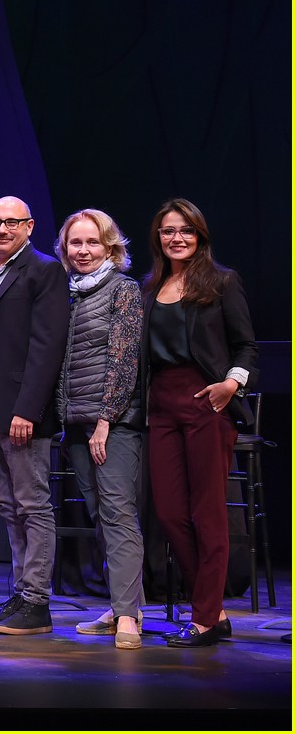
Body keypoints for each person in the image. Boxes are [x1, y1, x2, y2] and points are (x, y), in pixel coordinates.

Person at [141, 198, 256, 648]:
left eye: (186, 230)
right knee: (169, 514)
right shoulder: (150, 289)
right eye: (169, 231)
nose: (177, 238)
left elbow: (246, 346)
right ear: (159, 238)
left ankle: (205, 616)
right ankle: (214, 609)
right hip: (162, 407)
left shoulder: (222, 283)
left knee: (207, 514)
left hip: (207, 403)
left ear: (200, 235)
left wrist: (232, 383)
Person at [0, 196, 69, 636]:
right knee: (9, 508)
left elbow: (47, 347)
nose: (3, 229)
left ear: (29, 226)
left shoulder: (44, 270)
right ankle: (20, 592)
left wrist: (28, 408)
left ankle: (37, 601)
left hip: (21, 411)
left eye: (12, 222)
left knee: (33, 504)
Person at [54, 209, 146, 650]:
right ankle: (119, 602)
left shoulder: (124, 291)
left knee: (118, 514)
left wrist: (106, 421)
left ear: (110, 247)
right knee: (100, 517)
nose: (84, 251)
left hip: (111, 424)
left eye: (93, 243)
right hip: (75, 422)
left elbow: (124, 360)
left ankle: (129, 615)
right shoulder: (68, 293)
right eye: (76, 243)